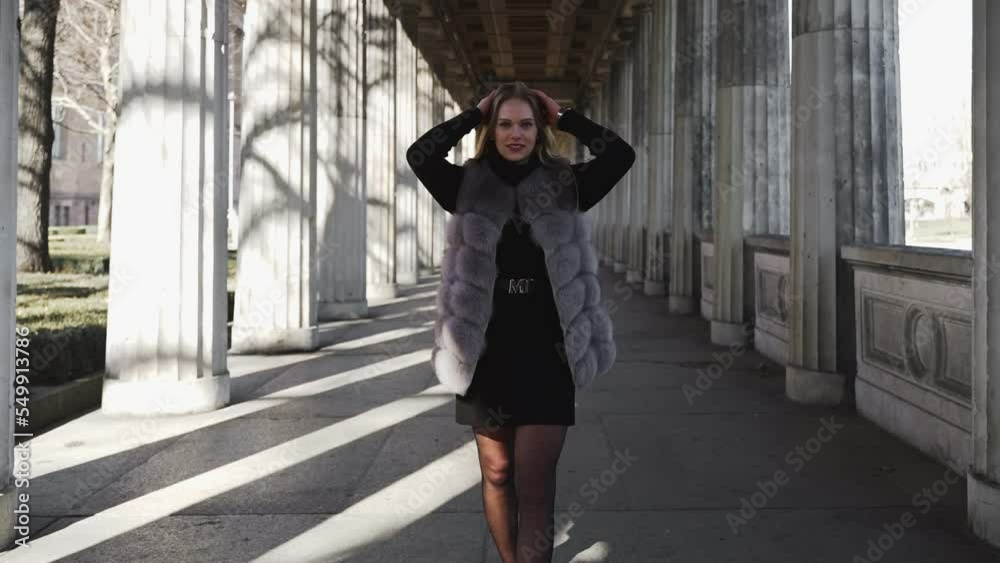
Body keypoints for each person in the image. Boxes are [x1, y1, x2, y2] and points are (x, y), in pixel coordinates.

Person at [406, 81, 634, 563]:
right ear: (493, 129)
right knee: (497, 472)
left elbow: (620, 157)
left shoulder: (567, 183)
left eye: (527, 124)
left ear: (540, 129)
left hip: (547, 348)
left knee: (535, 483)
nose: (516, 134)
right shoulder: (466, 184)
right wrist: (474, 113)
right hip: (484, 346)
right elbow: (420, 155)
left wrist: (565, 115)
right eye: (505, 124)